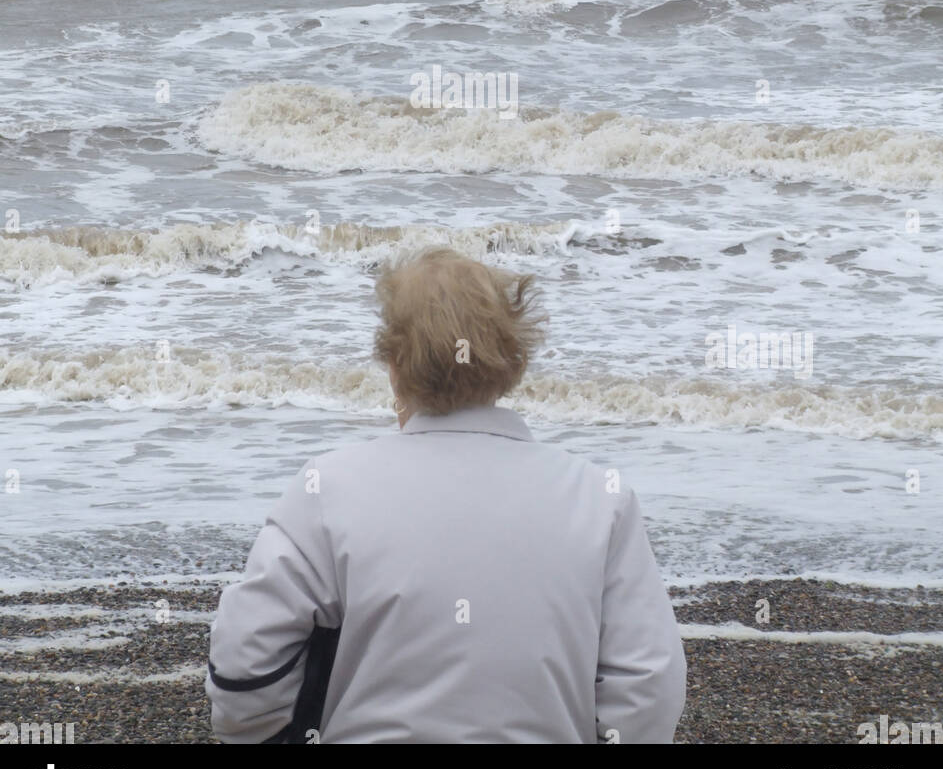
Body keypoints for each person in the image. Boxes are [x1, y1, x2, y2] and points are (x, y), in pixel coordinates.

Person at [206, 246, 685, 743]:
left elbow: (243, 667)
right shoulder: (600, 499)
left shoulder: (326, 489)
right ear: (515, 361)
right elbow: (648, 684)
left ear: (394, 364)